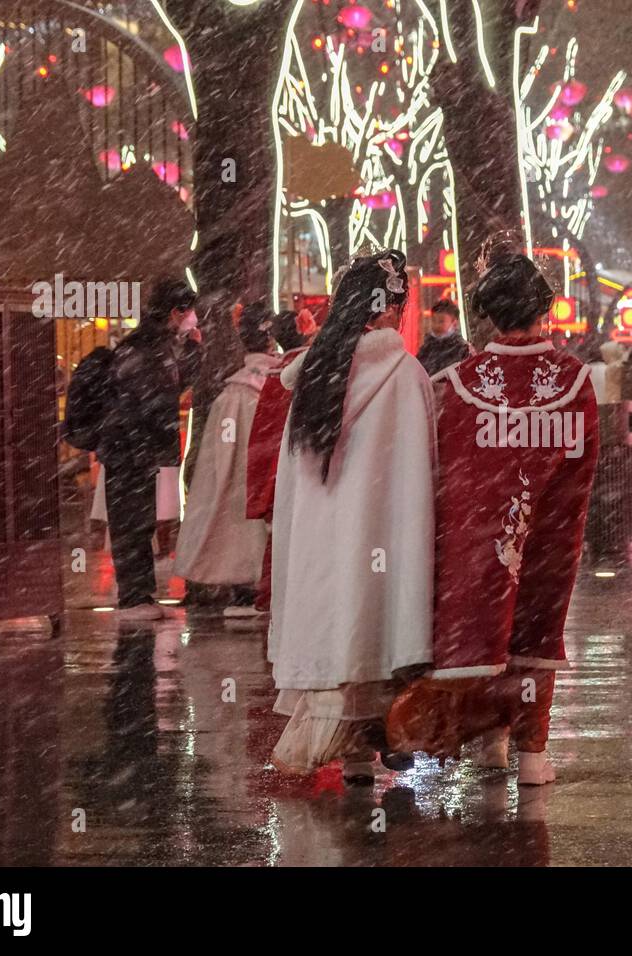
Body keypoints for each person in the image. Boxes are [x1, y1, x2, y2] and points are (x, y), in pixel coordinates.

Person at [401, 253, 599, 787]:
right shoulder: (574, 380)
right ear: (544, 310)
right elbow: (580, 468)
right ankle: (532, 754)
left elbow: (446, 474)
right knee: (537, 628)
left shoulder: (456, 383)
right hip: (549, 531)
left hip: (477, 536)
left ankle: (490, 740)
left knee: (484, 628)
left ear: (487, 312)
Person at [267, 251, 436, 783]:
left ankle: (354, 756)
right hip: (381, 539)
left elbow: (295, 477)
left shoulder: (316, 374)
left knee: (337, 628)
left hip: (324, 543)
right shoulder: (404, 374)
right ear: (391, 310)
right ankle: (374, 744)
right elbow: (419, 473)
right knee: (375, 630)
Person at [97, 279, 201, 620]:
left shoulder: (149, 345)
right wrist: (145, 450)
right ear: (175, 312)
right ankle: (133, 597)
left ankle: (139, 594)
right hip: (130, 450)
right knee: (131, 523)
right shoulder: (147, 348)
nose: (194, 320)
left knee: (138, 523)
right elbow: (149, 399)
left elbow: (165, 389)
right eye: (190, 313)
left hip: (133, 449)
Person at [174, 303, 282, 616]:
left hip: (237, 484)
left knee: (238, 536)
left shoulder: (232, 393)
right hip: (268, 482)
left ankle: (243, 588)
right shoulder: (279, 384)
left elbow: (218, 451)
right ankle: (260, 585)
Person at [246, 309, 317, 614]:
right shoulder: (315, 366)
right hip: (308, 466)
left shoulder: (275, 376)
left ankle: (271, 598)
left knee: (278, 543)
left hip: (277, 469)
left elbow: (262, 434)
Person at [416, 298, 472, 376]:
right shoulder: (426, 348)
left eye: (441, 321)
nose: (436, 325)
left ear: (454, 323)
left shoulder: (462, 348)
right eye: (434, 321)